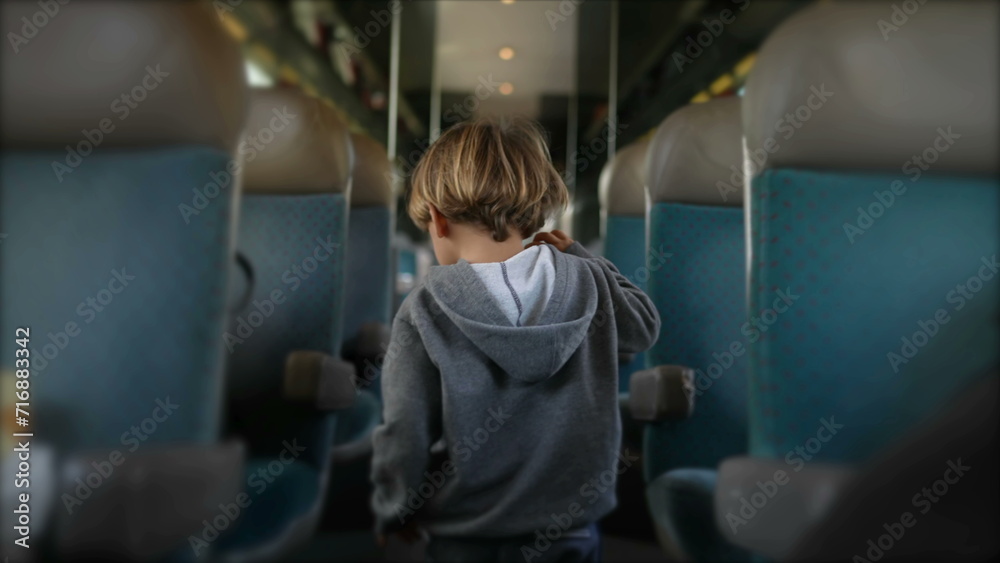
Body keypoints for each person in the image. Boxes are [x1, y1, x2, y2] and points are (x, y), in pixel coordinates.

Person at [370, 117, 660, 563]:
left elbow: (405, 428)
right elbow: (643, 327)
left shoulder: (424, 307)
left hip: (466, 529)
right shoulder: (588, 279)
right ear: (533, 211)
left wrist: (396, 508)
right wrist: (584, 258)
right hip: (569, 522)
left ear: (439, 220)